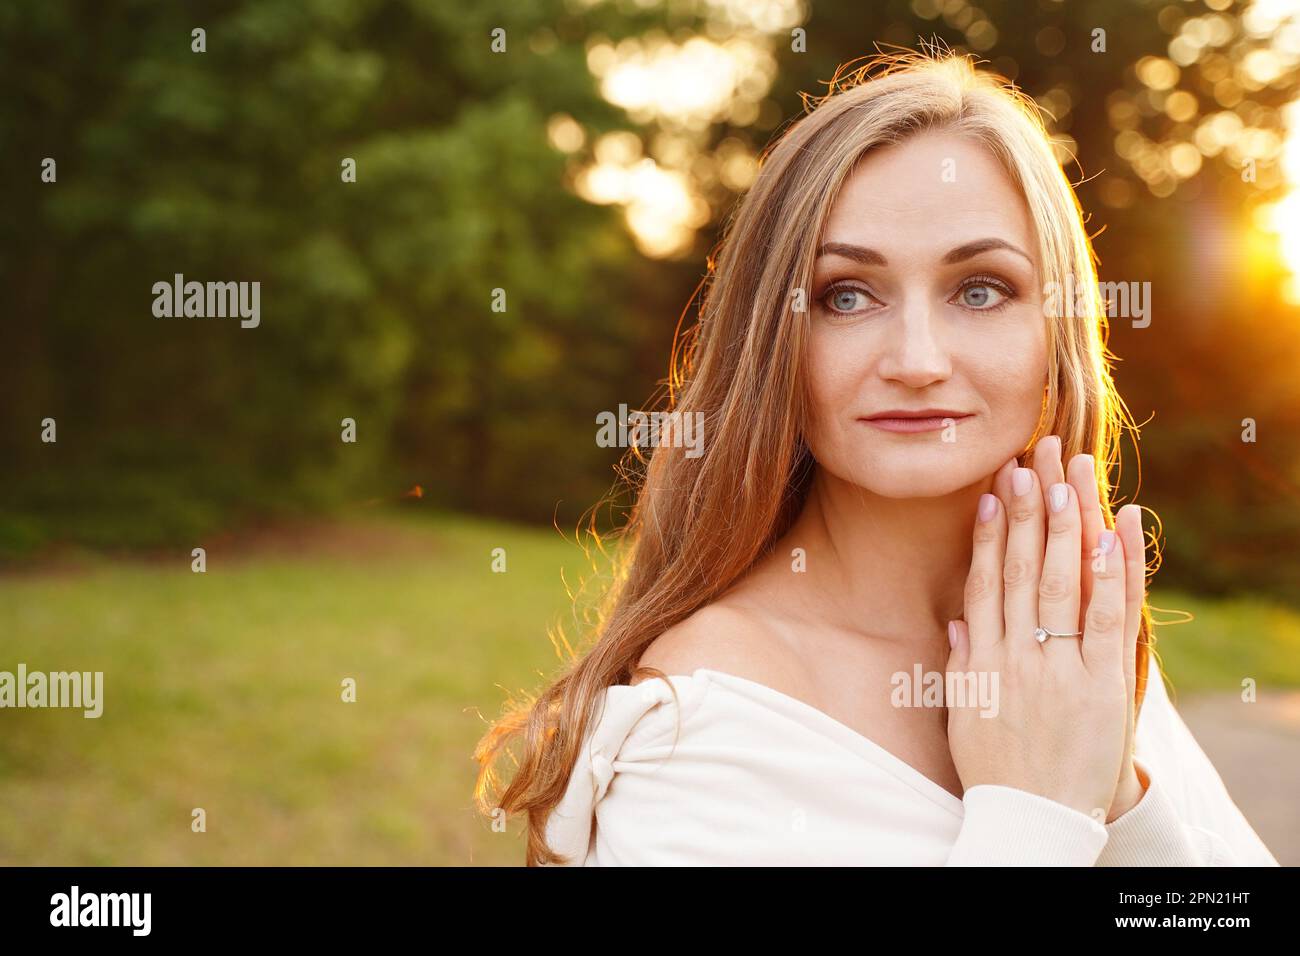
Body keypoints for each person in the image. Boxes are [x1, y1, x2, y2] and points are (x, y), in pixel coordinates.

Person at [473, 51, 1280, 866]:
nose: (918, 360)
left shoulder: (1063, 638)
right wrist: (1035, 814)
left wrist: (1116, 803)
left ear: (1057, 333)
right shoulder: (700, 725)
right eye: (846, 296)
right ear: (775, 341)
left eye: (980, 289)